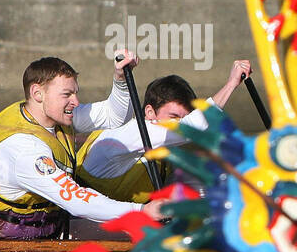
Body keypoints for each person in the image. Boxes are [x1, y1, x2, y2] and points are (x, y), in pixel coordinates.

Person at [0, 53, 166, 239]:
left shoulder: (54, 116)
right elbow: (76, 200)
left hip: (47, 224)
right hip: (9, 238)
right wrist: (141, 210)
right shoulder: (23, 147)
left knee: (138, 232)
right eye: (67, 94)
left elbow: (113, 117)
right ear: (37, 93)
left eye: (75, 93)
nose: (76, 102)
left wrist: (121, 80)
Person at [74, 60, 251, 204]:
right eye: (174, 117)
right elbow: (190, 127)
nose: (178, 123)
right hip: (81, 228)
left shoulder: (162, 151)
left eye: (183, 118)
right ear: (149, 113)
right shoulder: (124, 136)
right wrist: (231, 84)